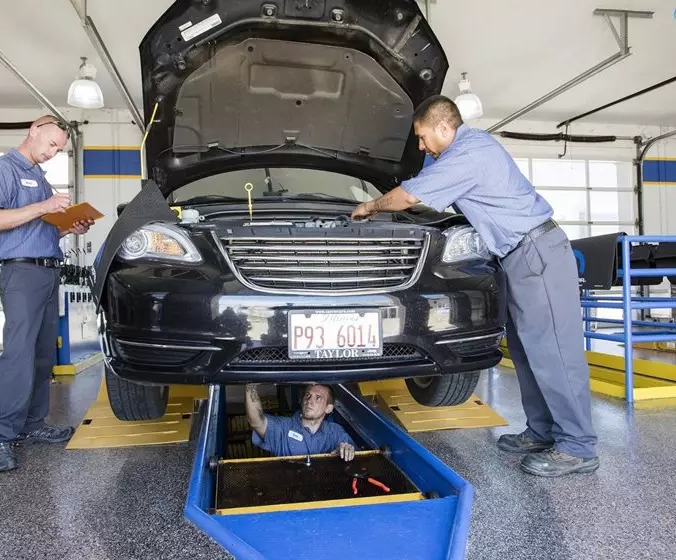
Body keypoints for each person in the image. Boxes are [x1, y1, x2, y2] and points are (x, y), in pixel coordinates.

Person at [351, 96, 599, 477]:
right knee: (528, 350)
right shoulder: (461, 155)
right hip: (515, 257)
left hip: (536, 253)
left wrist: (370, 206)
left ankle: (578, 446)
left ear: (443, 127)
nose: (420, 147)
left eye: (421, 137)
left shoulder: (469, 152)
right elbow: (431, 203)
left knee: (554, 353)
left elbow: (410, 195)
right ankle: (543, 431)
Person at [0, 115, 95, 473]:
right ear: (34, 130)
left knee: (43, 355)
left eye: (59, 149)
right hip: (20, 273)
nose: (53, 152)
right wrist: (44, 207)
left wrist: (67, 228)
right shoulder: (1, 169)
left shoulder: (40, 179)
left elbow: (38, 232)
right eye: (51, 144)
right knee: (18, 355)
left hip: (47, 270)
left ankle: (31, 425)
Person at [245, 383, 356, 461]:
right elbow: (256, 421)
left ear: (329, 408)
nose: (310, 401)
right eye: (308, 395)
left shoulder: (335, 432)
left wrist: (347, 450)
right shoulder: (282, 427)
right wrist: (251, 385)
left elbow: (354, 453)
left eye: (318, 398)